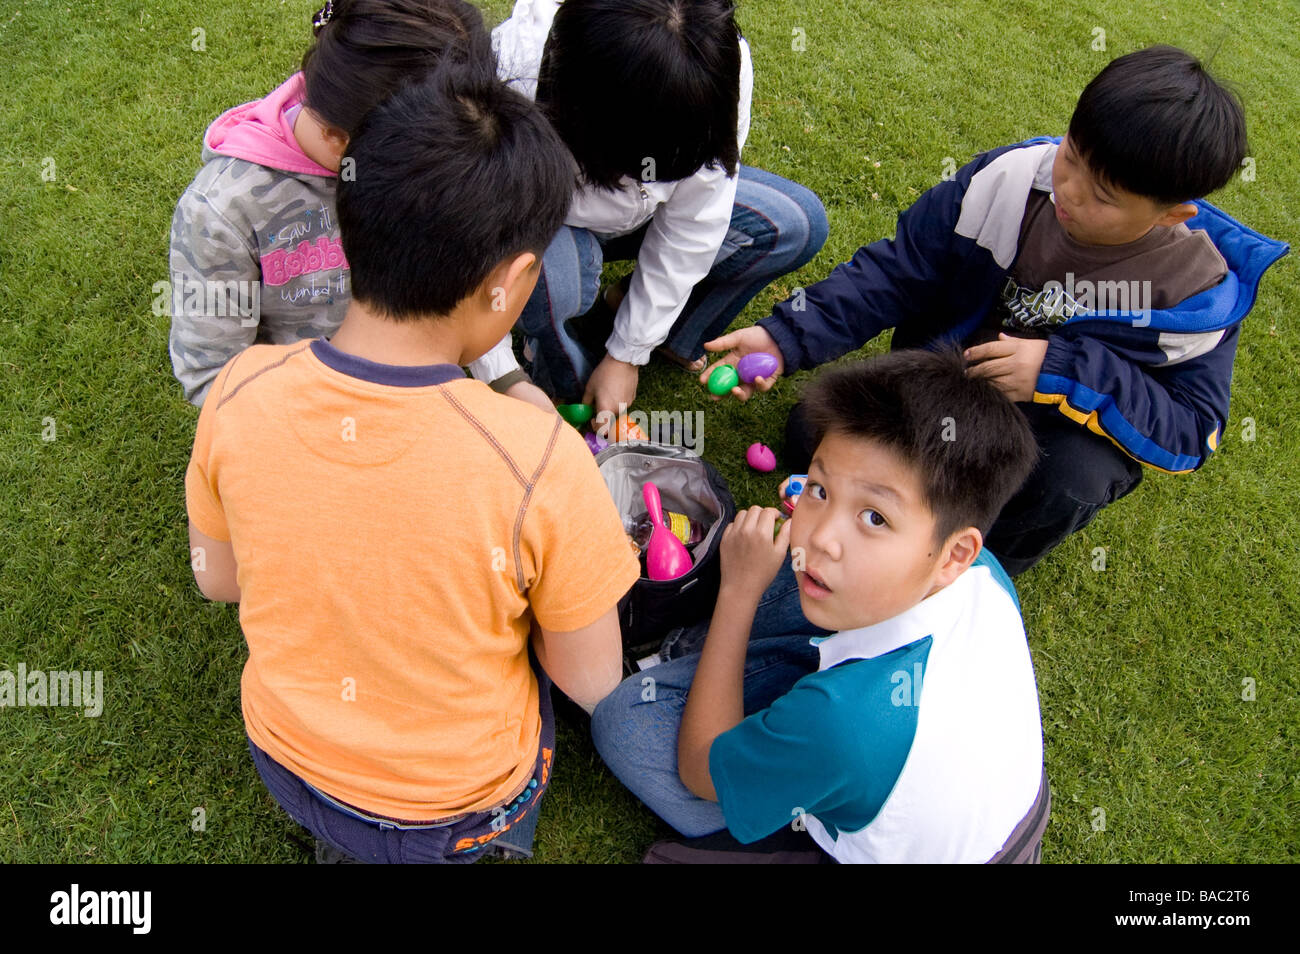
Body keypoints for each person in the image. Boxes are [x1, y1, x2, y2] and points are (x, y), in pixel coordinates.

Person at [184, 62, 639, 863]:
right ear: (514, 282)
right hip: (458, 809)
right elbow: (591, 680)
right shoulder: (543, 462)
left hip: (289, 764)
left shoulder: (237, 389)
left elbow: (218, 580)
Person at [698, 46, 1289, 575]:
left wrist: (1056, 371)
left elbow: (1191, 429)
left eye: (1102, 196)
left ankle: (975, 570)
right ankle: (917, 493)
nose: (1069, 191)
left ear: (1170, 216)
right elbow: (897, 271)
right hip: (942, 389)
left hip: (1042, 440)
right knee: (809, 432)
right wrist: (786, 336)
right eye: (1072, 155)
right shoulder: (1004, 184)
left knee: (1069, 481)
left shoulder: (1193, 294)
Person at [592, 348, 1048, 863]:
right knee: (802, 575)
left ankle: (770, 802)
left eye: (875, 517)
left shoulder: (846, 725)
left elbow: (700, 770)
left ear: (953, 553)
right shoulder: (981, 572)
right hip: (957, 781)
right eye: (820, 488)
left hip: (875, 811)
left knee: (625, 723)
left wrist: (738, 594)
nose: (823, 534)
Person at [168, 0, 550, 413]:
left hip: (412, 391)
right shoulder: (222, 212)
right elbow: (214, 377)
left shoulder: (419, 161)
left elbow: (453, 283)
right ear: (338, 138)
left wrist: (504, 378)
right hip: (300, 419)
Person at [491, 0, 829, 413]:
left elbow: (696, 220)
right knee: (556, 283)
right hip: (543, 217)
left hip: (640, 217)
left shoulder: (714, 64)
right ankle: (556, 369)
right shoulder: (516, 79)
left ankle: (652, 328)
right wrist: (502, 375)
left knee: (795, 223)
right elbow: (475, 236)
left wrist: (626, 354)